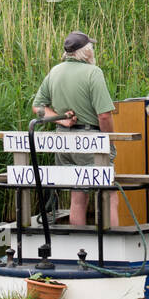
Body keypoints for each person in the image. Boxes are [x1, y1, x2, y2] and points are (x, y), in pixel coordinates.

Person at [31, 31, 119, 227]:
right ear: (86, 52)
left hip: (63, 142)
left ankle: (79, 247)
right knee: (109, 194)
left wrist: (61, 122)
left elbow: (37, 107)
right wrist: (109, 141)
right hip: (89, 140)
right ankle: (113, 246)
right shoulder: (93, 72)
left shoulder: (55, 71)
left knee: (77, 198)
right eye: (91, 48)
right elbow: (104, 115)